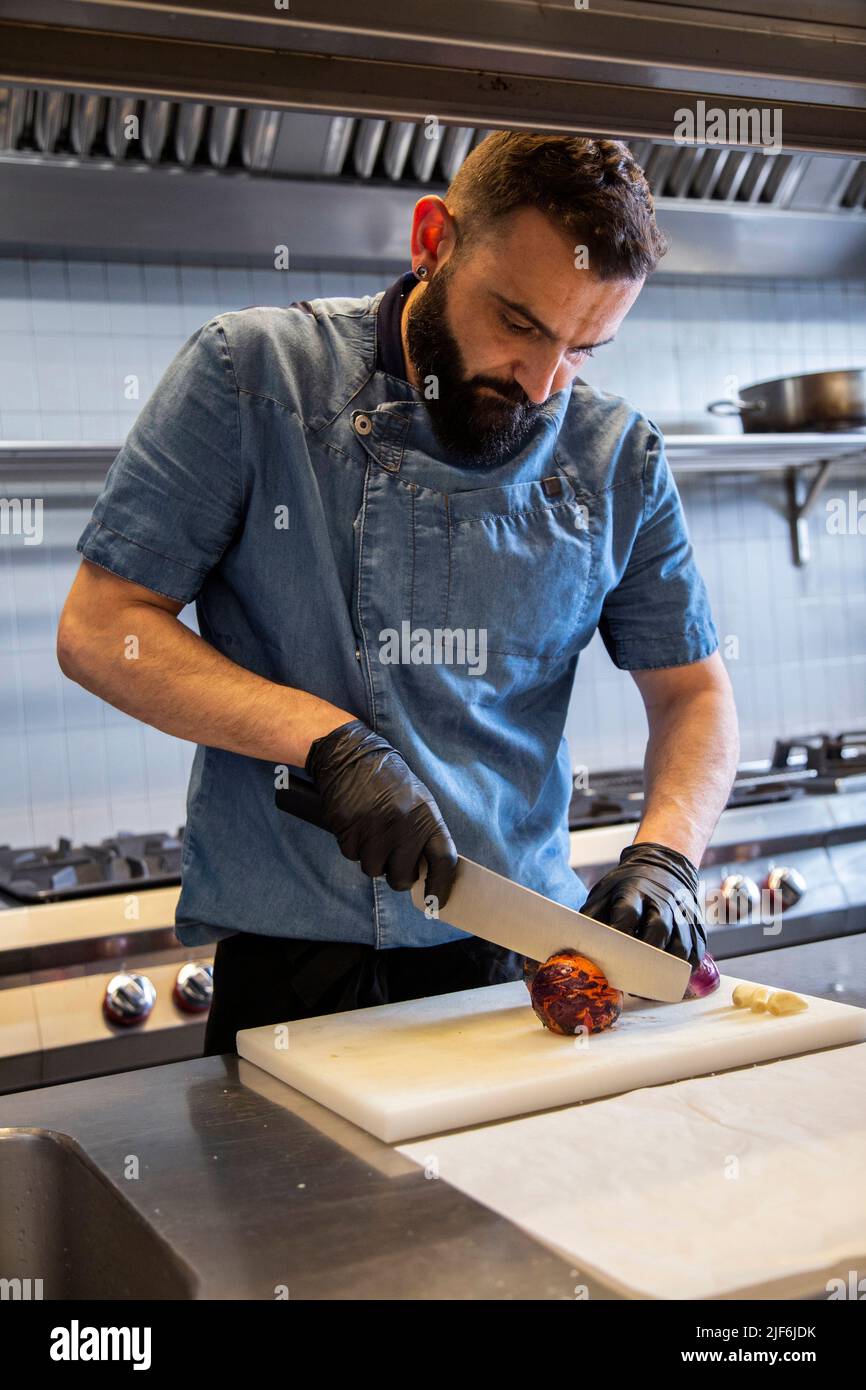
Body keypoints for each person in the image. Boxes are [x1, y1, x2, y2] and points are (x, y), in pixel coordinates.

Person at [56, 133, 739, 1054]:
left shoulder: (616, 454)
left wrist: (666, 857)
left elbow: (692, 692)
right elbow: (102, 629)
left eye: (583, 349)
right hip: (292, 971)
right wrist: (326, 743)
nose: (542, 385)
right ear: (432, 242)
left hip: (520, 965)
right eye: (521, 325)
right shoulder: (254, 378)